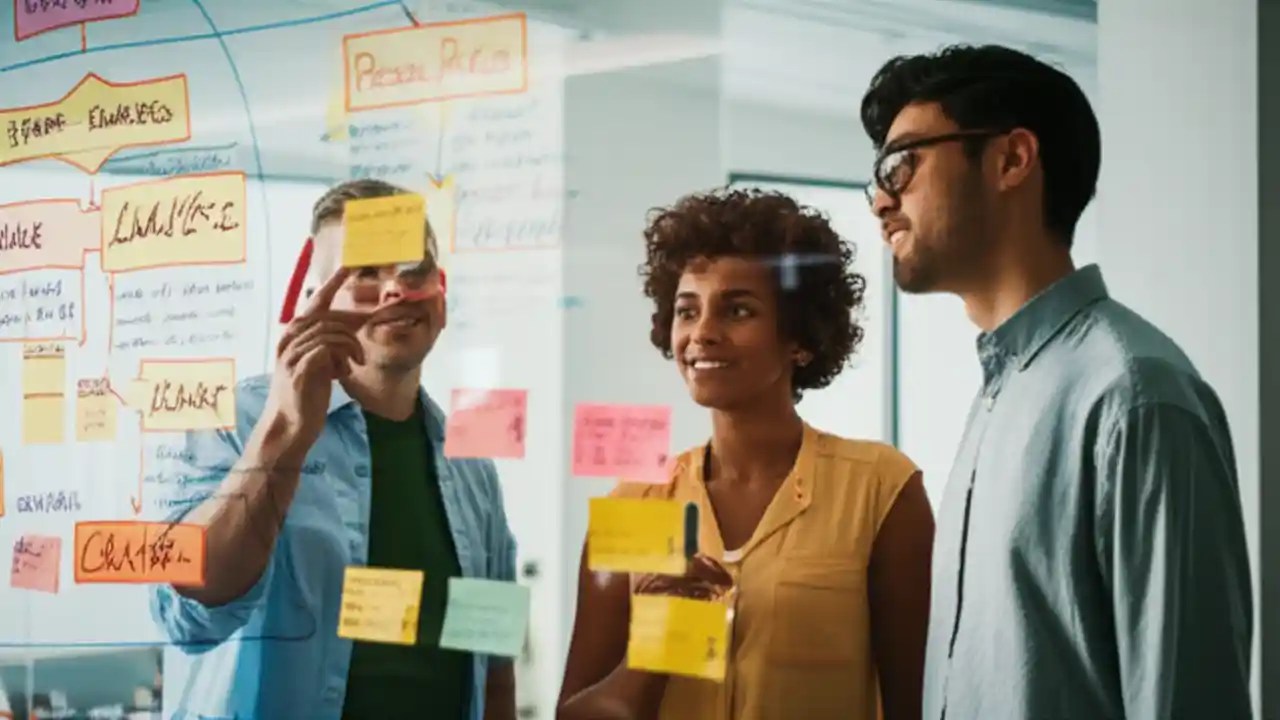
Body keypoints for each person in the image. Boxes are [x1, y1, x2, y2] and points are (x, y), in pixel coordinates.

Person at [860, 45, 1254, 719]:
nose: (880, 200)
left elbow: (1188, 698)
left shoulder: (1132, 395)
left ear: (1012, 159)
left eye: (903, 163)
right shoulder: (1000, 393)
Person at [557, 188, 936, 720]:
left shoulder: (881, 490)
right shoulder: (634, 505)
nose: (703, 334)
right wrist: (656, 646)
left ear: (798, 340)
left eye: (738, 310)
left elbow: (913, 705)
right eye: (687, 311)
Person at [149, 178, 518, 720]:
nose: (394, 289)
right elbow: (188, 617)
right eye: (365, 273)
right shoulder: (238, 420)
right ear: (315, 301)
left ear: (440, 296)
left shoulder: (470, 462)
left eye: (412, 269)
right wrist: (286, 430)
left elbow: (494, 655)